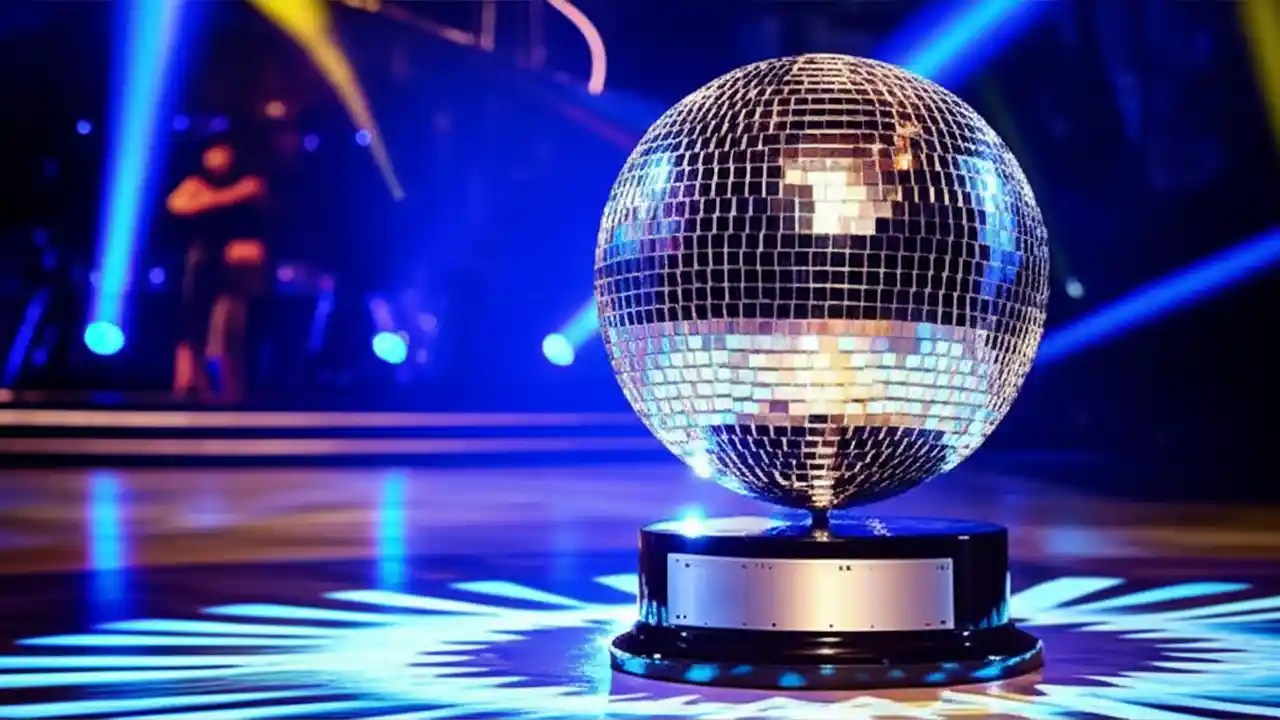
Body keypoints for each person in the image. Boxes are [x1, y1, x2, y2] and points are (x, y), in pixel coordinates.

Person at [165, 140, 268, 402]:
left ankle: (230, 385)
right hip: (203, 260)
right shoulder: (196, 183)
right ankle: (190, 380)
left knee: (230, 325)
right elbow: (176, 205)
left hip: (238, 262)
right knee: (192, 320)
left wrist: (210, 198)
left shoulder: (251, 182)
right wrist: (222, 197)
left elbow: (259, 201)